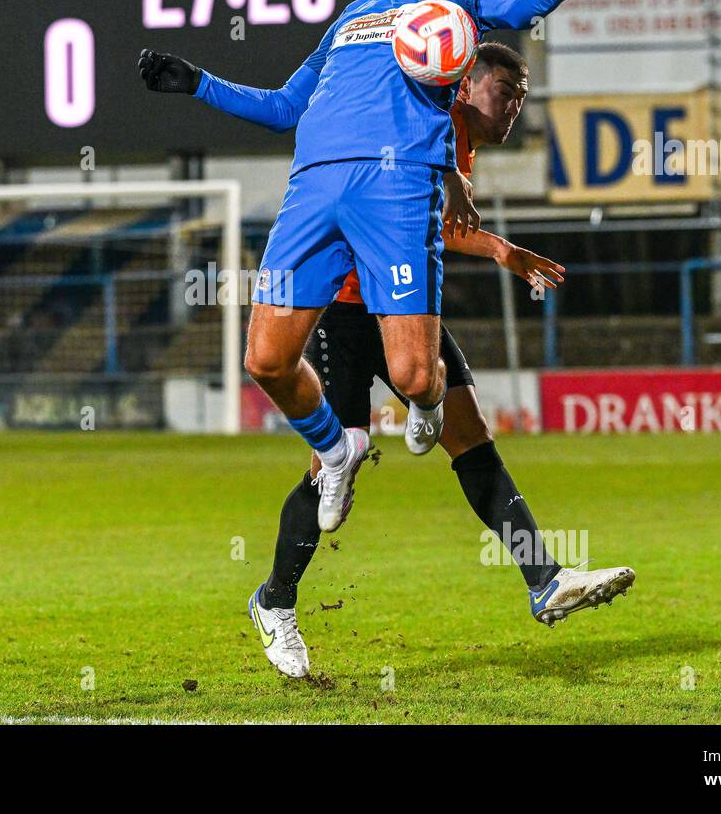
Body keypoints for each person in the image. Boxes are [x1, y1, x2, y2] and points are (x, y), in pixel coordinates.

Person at [139, 0, 582, 534]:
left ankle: (426, 402)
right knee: (263, 359)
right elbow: (284, 108)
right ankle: (336, 447)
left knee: (413, 372)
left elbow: (513, 8)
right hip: (313, 186)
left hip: (391, 188)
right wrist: (198, 83)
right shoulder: (349, 18)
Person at [246, 43, 635, 678]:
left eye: (521, 97)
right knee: (335, 467)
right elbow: (443, 223)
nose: (514, 107)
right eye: (505, 92)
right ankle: (274, 601)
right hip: (348, 310)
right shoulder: (436, 123)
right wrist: (504, 252)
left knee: (472, 439)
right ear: (467, 85)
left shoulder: (459, 142)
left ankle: (545, 579)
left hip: (401, 311)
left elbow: (433, 221)